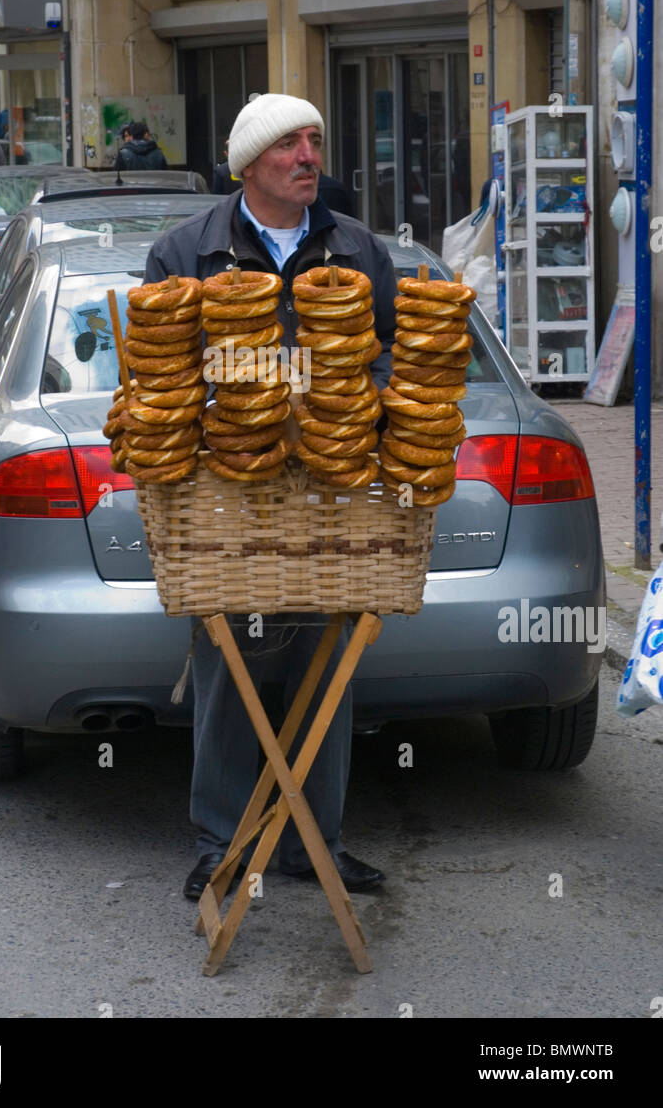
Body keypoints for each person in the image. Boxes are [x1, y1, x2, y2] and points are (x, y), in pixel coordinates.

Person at [144, 92, 397, 900]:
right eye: (289, 145)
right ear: (249, 162)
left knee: (330, 662)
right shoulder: (189, 252)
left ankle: (312, 841)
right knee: (228, 664)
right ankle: (220, 842)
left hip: (335, 490)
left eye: (314, 141)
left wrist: (352, 410)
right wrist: (283, 390)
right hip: (224, 491)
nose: (307, 158)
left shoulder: (354, 248)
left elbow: (391, 359)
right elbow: (162, 378)